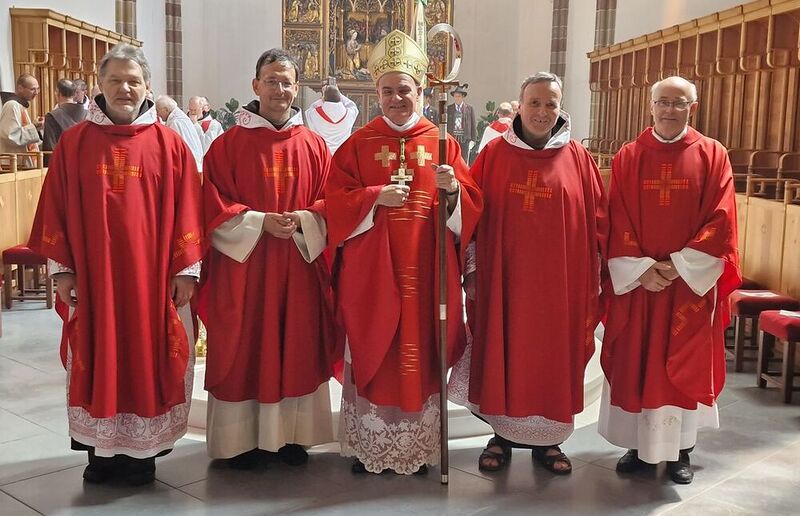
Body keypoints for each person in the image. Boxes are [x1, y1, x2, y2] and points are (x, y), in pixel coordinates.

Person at [27, 43, 203, 486]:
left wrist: (185, 271)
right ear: (98, 86)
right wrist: (62, 270)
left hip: (152, 277)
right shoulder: (74, 143)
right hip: (95, 276)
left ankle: (142, 455)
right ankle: (100, 454)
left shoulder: (169, 144)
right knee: (96, 351)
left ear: (148, 86)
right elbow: (57, 208)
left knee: (147, 354)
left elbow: (188, 209)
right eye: (115, 80)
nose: (124, 88)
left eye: (133, 80)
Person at [326, 29, 482, 475]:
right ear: (376, 93)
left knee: (420, 349)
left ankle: (417, 448)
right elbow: (335, 204)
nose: (397, 98)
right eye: (388, 90)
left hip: (427, 268)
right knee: (376, 345)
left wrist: (453, 193)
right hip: (372, 272)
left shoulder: (443, 142)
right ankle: (369, 445)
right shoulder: (357, 144)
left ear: (421, 91)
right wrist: (374, 196)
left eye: (405, 90)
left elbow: (469, 209)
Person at [449, 72, 607, 476]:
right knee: (505, 352)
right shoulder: (496, 155)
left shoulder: (579, 158)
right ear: (519, 106)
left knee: (551, 359)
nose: (541, 111)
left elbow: (598, 222)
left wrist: (595, 276)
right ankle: (501, 436)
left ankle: (549, 440)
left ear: (560, 108)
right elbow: (472, 215)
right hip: (505, 283)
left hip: (561, 286)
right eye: (534, 103)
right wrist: (472, 269)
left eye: (550, 104)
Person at [598, 76, 741, 485]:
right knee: (639, 359)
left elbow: (722, 217)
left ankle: (680, 451)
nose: (669, 109)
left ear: (692, 108)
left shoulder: (713, 155)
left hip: (686, 287)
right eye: (662, 102)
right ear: (651, 106)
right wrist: (642, 269)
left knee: (681, 358)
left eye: (678, 103)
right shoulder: (628, 156)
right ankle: (636, 448)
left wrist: (678, 266)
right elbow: (616, 216)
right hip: (641, 284)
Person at [201, 48, 338, 469]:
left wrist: (302, 220)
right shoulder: (226, 147)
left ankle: (291, 438)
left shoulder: (315, 146)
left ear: (297, 89)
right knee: (245, 345)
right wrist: (259, 222)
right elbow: (210, 204)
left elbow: (333, 202)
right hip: (245, 270)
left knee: (295, 343)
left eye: (287, 81)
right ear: (255, 85)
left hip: (298, 266)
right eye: (271, 80)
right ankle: (241, 442)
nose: (279, 89)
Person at [0, 73, 42, 168]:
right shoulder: (12, 105)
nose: (36, 92)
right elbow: (10, 136)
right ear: (20, 88)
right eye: (32, 89)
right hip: (13, 165)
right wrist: (33, 127)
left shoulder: (20, 106)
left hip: (20, 163)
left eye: (37, 89)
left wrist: (36, 127)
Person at [304, 81, 358, 154]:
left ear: (324, 99)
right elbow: (352, 105)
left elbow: (310, 109)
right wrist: (338, 93)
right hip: (342, 153)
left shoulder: (315, 114)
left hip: (323, 153)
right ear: (339, 97)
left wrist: (323, 98)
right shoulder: (349, 114)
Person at [156, 94, 204, 172]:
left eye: (158, 111)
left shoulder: (176, 123)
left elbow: (176, 150)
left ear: (166, 109)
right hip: (195, 165)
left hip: (188, 167)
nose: (157, 114)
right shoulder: (181, 118)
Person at [42, 79, 87, 159]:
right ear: (74, 94)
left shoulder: (52, 116)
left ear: (57, 93)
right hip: (85, 162)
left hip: (64, 164)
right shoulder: (89, 115)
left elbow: (49, 150)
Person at [445, 84, 476, 164]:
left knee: (464, 160)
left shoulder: (469, 108)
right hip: (453, 137)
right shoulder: (449, 109)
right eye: (455, 96)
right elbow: (446, 124)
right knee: (452, 158)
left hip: (465, 139)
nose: (457, 98)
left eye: (459, 96)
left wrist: (473, 140)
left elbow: (473, 124)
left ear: (462, 97)